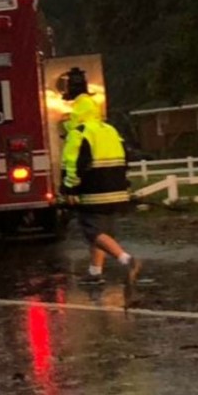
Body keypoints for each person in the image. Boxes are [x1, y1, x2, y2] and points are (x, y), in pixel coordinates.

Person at [61, 94, 142, 288]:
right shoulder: (110, 130)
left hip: (93, 191)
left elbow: (73, 164)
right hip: (117, 190)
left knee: (93, 231)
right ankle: (95, 272)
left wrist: (68, 189)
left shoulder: (80, 132)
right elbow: (126, 157)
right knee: (105, 233)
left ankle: (127, 260)